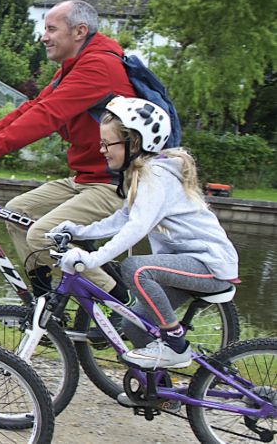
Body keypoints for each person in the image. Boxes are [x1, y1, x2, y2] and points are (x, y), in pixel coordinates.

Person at [0, 0, 135, 302]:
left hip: (112, 183)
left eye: (51, 29)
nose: (43, 36)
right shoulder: (73, 68)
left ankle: (122, 303)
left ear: (79, 31)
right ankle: (44, 304)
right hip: (85, 178)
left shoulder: (99, 66)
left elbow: (47, 117)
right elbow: (31, 109)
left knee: (40, 234)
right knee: (17, 212)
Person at [53, 96, 240, 372]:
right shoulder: (141, 175)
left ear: (135, 143)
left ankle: (175, 344)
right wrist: (78, 230)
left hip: (210, 265)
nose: (102, 150)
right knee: (134, 324)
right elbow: (123, 218)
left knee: (136, 269)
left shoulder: (156, 176)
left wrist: (92, 259)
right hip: (184, 265)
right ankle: (160, 395)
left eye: (108, 144)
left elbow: (136, 227)